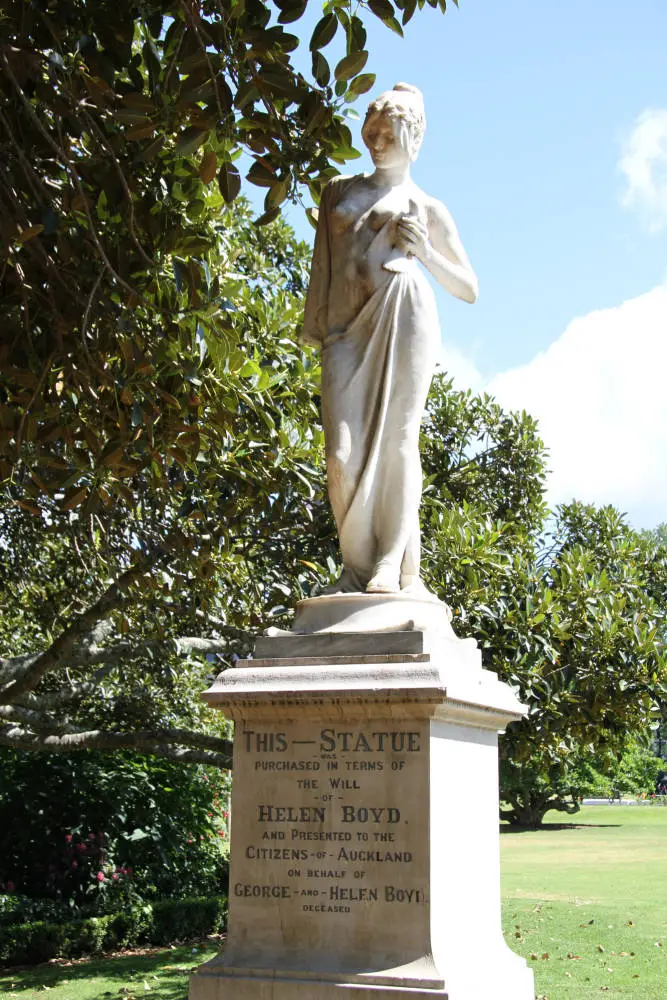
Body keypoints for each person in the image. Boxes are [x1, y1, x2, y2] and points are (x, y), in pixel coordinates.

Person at [303, 83, 478, 595]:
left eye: (389, 134)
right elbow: (325, 268)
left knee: (400, 441)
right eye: (372, 132)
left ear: (415, 138)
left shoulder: (427, 207)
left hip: (404, 311)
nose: (377, 143)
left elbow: (468, 288)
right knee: (342, 455)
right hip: (345, 330)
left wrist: (425, 250)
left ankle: (392, 566)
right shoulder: (338, 190)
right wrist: (319, 327)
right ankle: (355, 566)